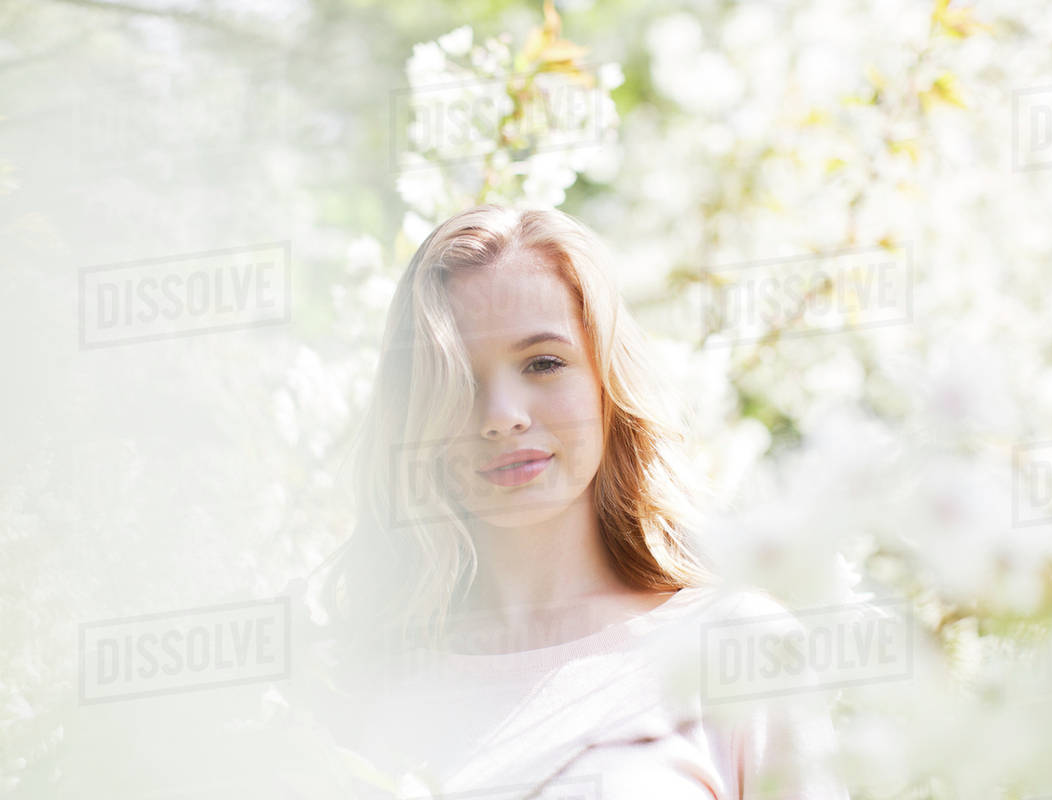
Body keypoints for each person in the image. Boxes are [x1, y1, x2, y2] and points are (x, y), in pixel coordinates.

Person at [309, 204, 852, 799]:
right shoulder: (366, 690)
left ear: (606, 383)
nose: (500, 417)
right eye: (456, 377)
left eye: (544, 363)